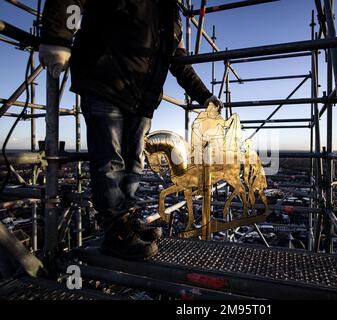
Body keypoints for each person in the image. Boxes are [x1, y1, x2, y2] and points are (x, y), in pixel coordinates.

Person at [39, 0, 222, 260]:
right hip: (106, 82)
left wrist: (204, 96)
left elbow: (178, 62)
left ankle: (128, 219)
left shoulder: (171, 15)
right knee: (110, 161)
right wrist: (57, 37)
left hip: (141, 98)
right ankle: (116, 232)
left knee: (134, 162)